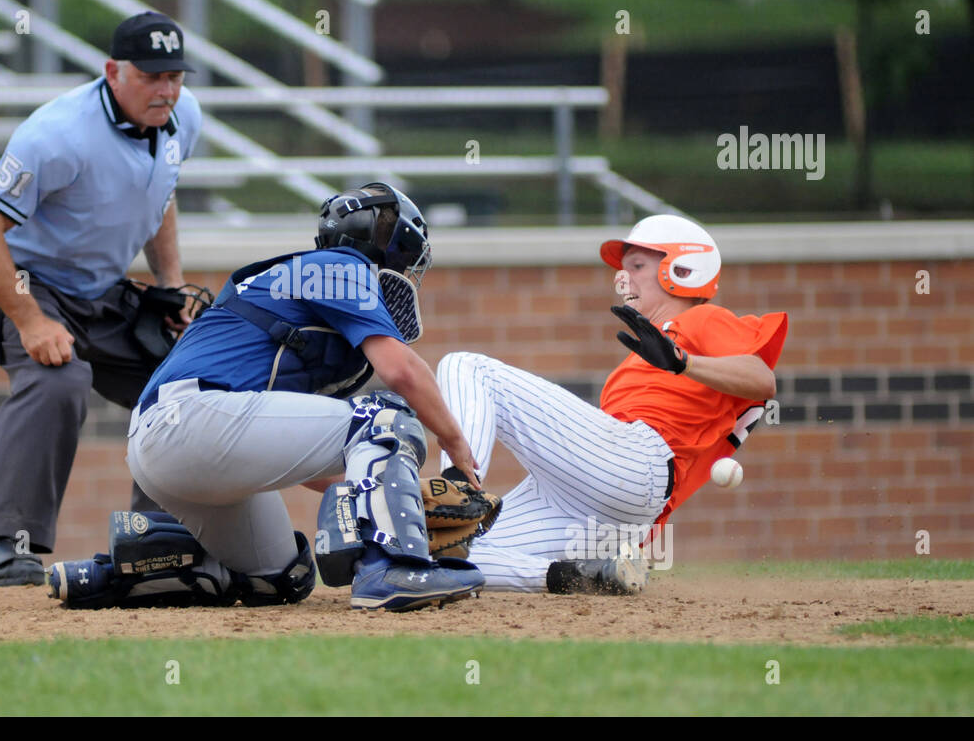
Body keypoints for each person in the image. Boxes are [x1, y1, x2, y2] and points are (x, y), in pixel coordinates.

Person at [46, 183, 487, 612]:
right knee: (388, 419)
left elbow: (294, 457)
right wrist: (454, 441)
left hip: (166, 446)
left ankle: (115, 574)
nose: (410, 274)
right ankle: (392, 568)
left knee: (281, 576)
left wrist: (395, 496)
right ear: (387, 245)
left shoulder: (296, 286)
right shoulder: (340, 265)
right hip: (193, 420)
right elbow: (401, 370)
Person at [0, 11, 202, 586]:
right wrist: (30, 321)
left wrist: (170, 284)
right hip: (31, 282)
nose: (167, 89)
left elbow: (159, 195)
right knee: (59, 380)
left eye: (175, 75)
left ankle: (156, 543)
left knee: (183, 386)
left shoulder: (182, 118)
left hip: (102, 289)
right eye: (151, 76)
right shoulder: (57, 134)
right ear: (112, 72)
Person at [434, 214, 788, 594]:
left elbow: (761, 379)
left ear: (683, 270)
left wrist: (682, 361)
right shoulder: (644, 356)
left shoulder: (701, 318)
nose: (625, 278)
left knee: (467, 367)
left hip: (638, 463)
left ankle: (457, 498)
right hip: (613, 506)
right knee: (446, 553)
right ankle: (580, 576)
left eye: (638, 266)